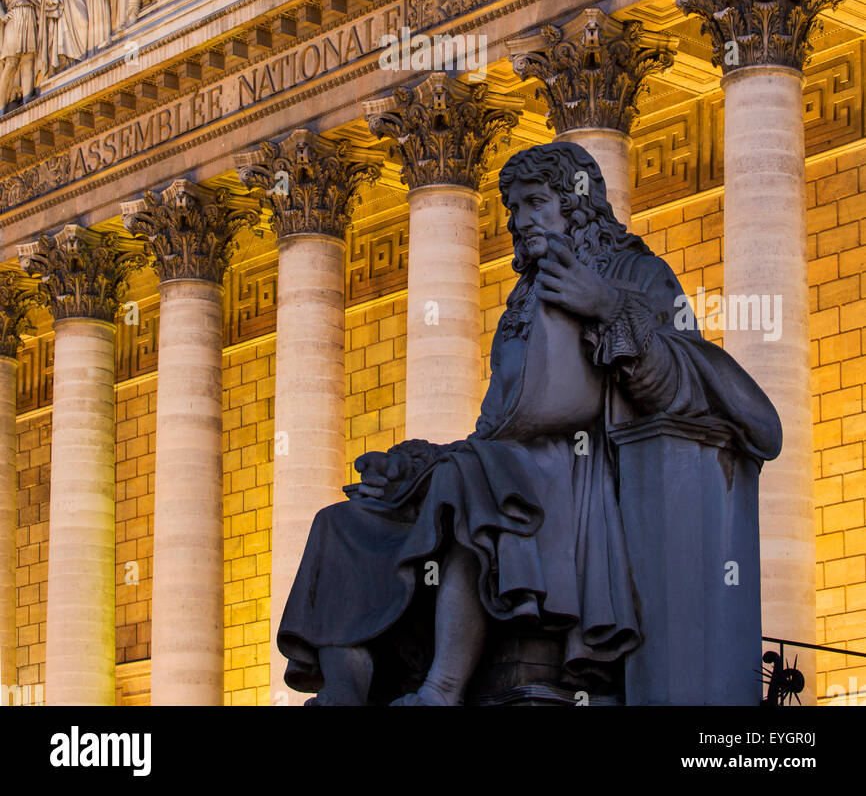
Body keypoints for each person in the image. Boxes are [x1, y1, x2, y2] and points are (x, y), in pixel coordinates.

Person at [277, 140, 782, 706]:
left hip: (580, 472)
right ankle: (346, 689)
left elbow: (681, 383)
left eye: (535, 203)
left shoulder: (634, 271)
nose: (518, 222)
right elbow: (497, 422)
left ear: (577, 203)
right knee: (345, 520)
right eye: (513, 208)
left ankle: (443, 686)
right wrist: (413, 460)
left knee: (466, 479)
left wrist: (608, 305)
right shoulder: (523, 298)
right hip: (507, 463)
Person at [0, 0, 38, 112]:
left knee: (29, 59)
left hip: (29, 14)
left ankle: (28, 98)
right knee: (12, 62)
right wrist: (2, 15)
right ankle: (1, 106)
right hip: (15, 17)